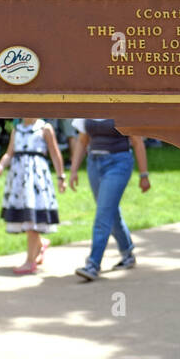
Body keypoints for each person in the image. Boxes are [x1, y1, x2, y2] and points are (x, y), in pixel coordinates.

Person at [69, 119, 150, 280]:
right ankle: (127, 253)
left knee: (103, 214)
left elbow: (137, 141)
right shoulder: (87, 105)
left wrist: (144, 174)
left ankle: (93, 264)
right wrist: (73, 170)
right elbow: (82, 140)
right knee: (109, 212)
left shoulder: (121, 105)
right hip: (94, 164)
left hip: (119, 163)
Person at [0, 119, 66, 274]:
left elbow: (54, 153)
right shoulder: (17, 129)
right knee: (28, 216)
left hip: (36, 180)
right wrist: (1, 164)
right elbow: (9, 153)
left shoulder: (45, 128)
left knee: (32, 218)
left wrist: (61, 176)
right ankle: (40, 245)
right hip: (19, 179)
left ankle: (30, 261)